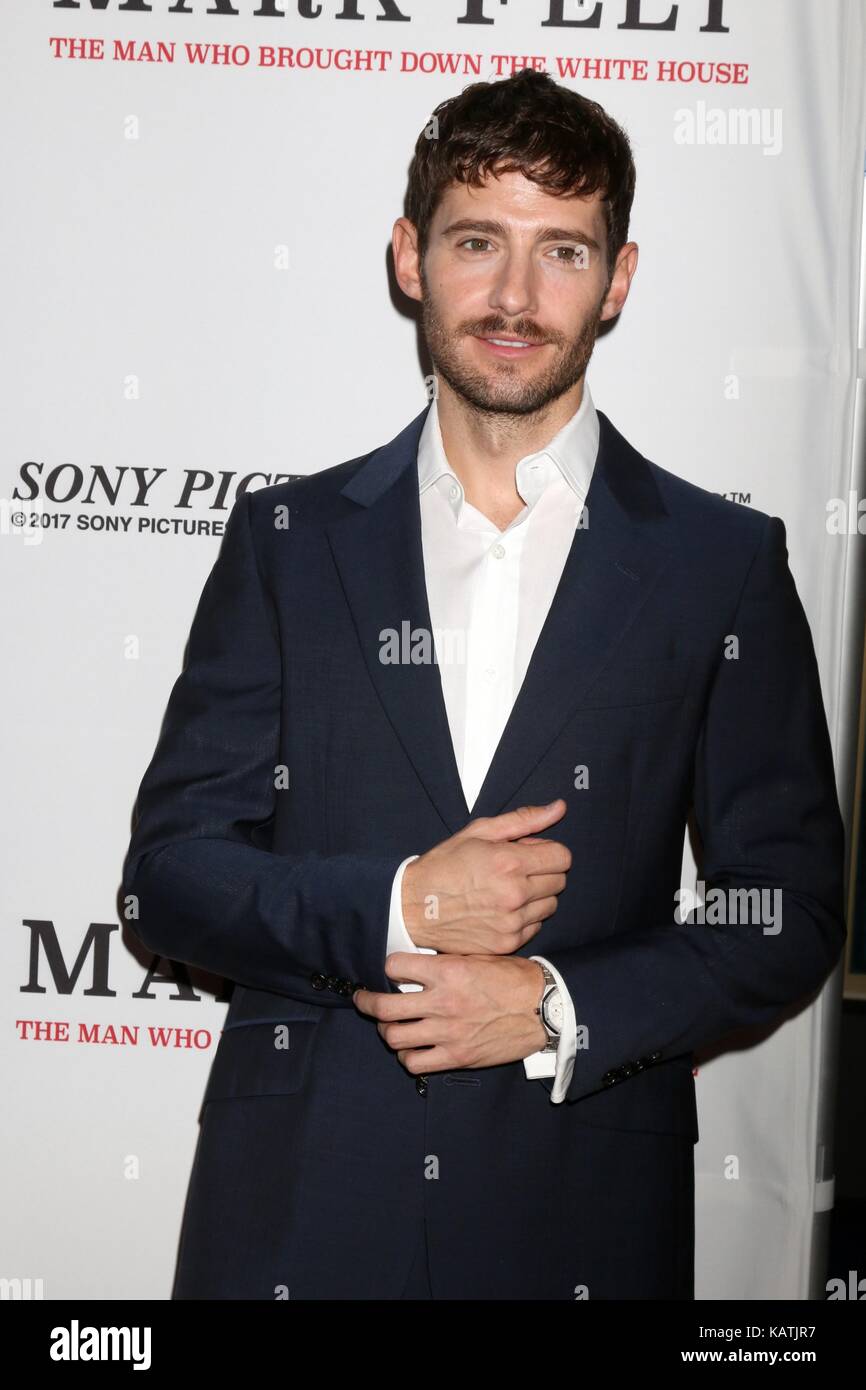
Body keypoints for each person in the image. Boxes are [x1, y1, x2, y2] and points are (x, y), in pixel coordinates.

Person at [120, 69, 845, 1300]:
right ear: (410, 258)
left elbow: (783, 906)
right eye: (476, 242)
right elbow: (170, 879)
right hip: (299, 1208)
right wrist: (399, 907)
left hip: (576, 1216)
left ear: (617, 279)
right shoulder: (288, 542)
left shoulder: (716, 566)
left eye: (561, 250)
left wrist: (559, 1005)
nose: (514, 297)